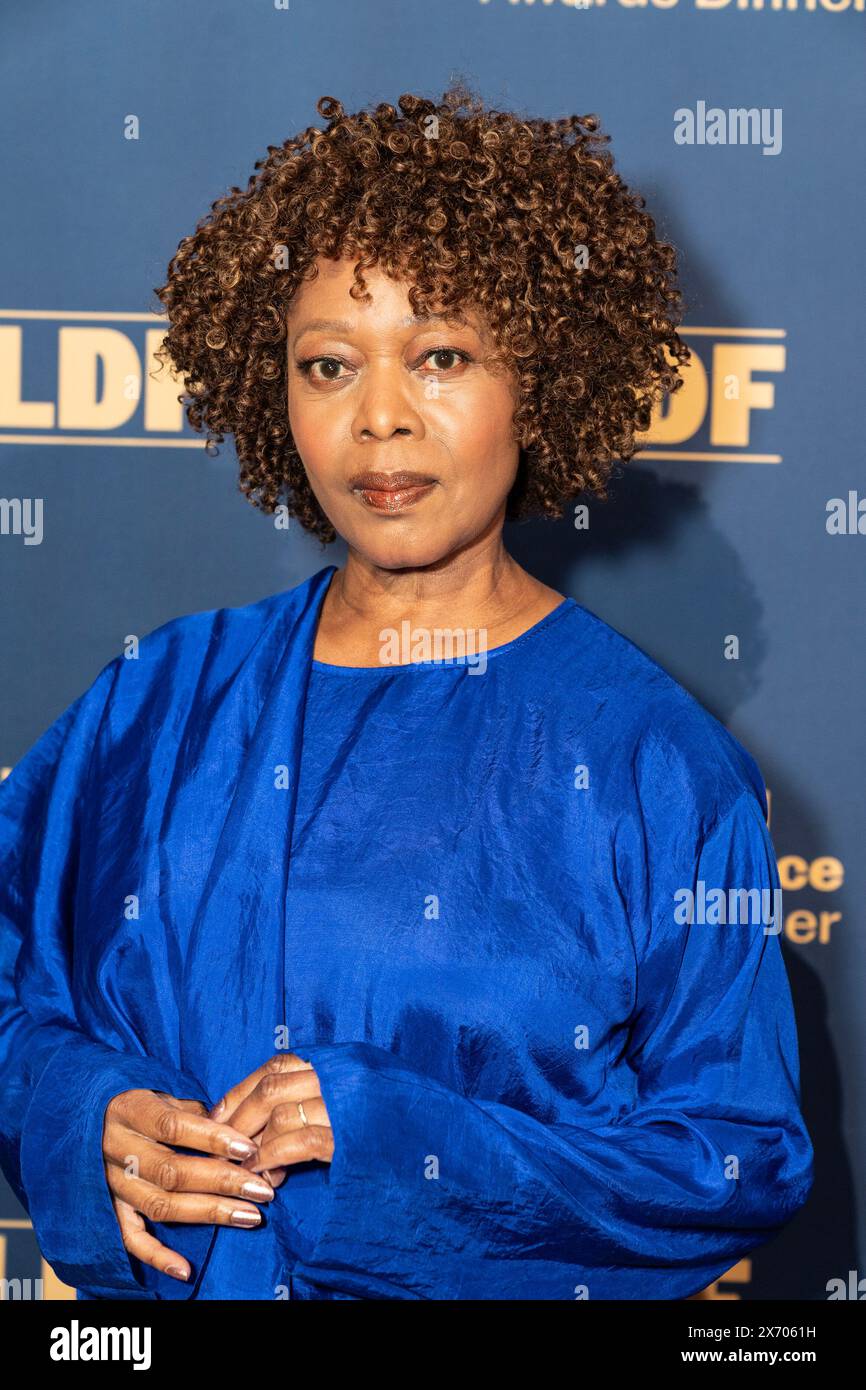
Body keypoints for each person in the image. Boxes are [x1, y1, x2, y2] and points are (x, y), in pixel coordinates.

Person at [0, 85, 813, 1301]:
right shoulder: (154, 701)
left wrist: (402, 1139)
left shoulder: (652, 758)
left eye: (440, 356)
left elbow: (735, 1161)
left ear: (536, 380)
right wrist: (79, 1112)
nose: (378, 420)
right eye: (327, 364)